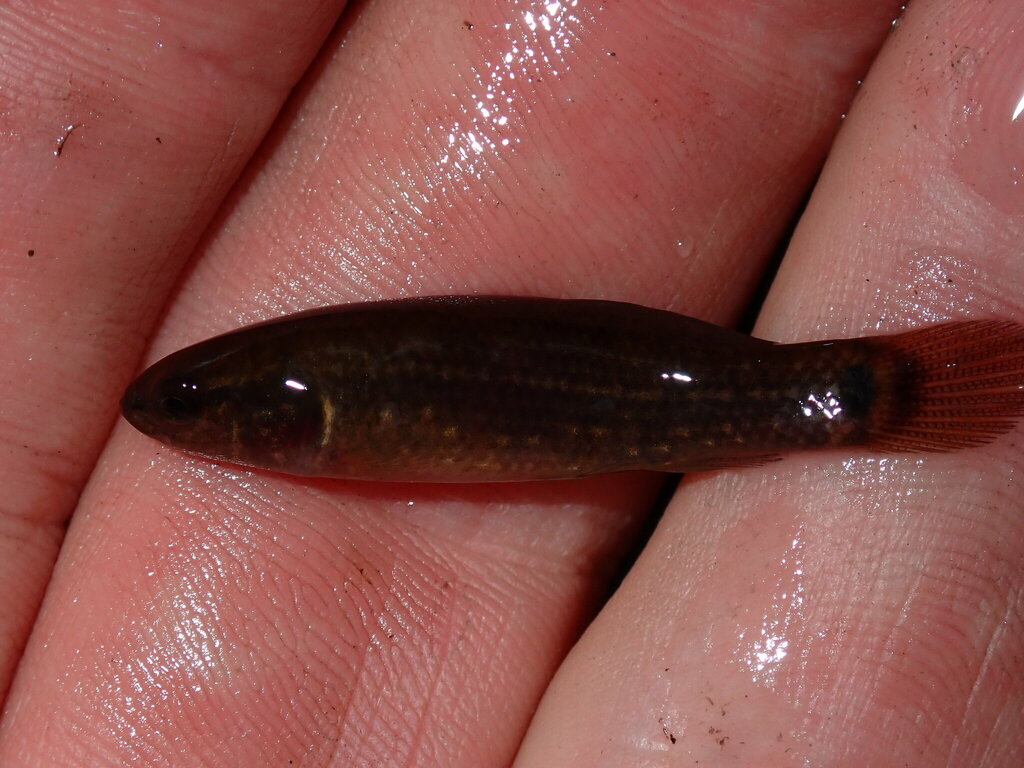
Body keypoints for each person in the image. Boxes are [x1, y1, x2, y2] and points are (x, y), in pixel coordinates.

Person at [1, 1, 1021, 765]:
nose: (172, 419)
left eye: (193, 406)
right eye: (187, 404)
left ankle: (874, 394)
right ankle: (860, 397)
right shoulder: (324, 397)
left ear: (281, 413)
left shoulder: (335, 402)